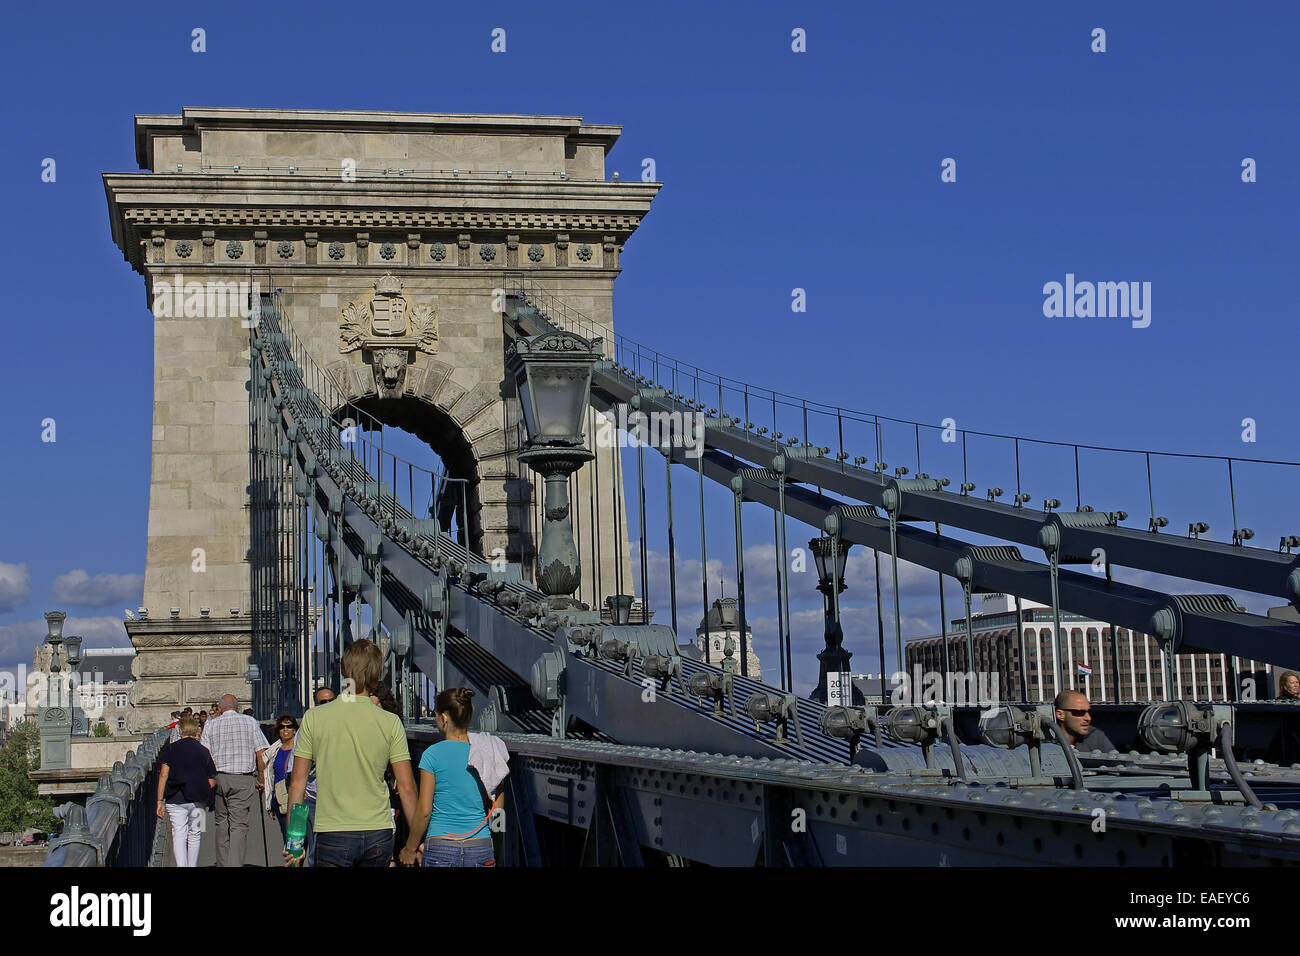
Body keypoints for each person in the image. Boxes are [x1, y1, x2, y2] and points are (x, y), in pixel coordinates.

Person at [284, 641, 416, 867]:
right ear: (378, 673)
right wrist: (415, 843)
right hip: (378, 830)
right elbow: (407, 787)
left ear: (344, 669)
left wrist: (295, 844)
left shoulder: (314, 718)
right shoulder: (390, 722)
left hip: (333, 830)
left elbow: (298, 785)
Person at [400, 687, 494, 868]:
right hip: (480, 844)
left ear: (444, 718)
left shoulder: (432, 755)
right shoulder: (486, 751)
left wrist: (410, 849)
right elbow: (497, 806)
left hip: (441, 846)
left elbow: (425, 810)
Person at [200, 694, 269, 867]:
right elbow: (261, 753)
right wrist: (261, 779)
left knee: (221, 823)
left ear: (220, 708)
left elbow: (204, 755)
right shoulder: (250, 722)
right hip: (242, 778)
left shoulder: (211, 724)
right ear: (237, 708)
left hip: (219, 778)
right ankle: (235, 864)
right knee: (238, 825)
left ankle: (223, 863)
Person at [155, 715, 217, 867]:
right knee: (195, 835)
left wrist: (159, 801)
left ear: (180, 730)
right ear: (197, 731)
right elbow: (212, 780)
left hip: (175, 799)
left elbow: (164, 774)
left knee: (179, 835)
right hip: (198, 800)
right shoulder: (204, 751)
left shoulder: (171, 749)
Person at [302, 686, 335, 866]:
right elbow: (295, 771)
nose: (328, 705)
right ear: (316, 705)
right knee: (317, 848)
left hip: (341, 796)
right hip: (315, 798)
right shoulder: (309, 726)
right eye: (323, 702)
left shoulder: (346, 725)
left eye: (331, 701)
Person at [262, 714, 299, 842]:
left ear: (295, 729)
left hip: (298, 798)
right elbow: (270, 778)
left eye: (289, 726)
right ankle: (294, 861)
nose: (285, 730)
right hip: (280, 799)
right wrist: (270, 804)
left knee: (300, 838)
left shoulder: (300, 748)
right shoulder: (274, 750)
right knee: (288, 838)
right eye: (282, 727)